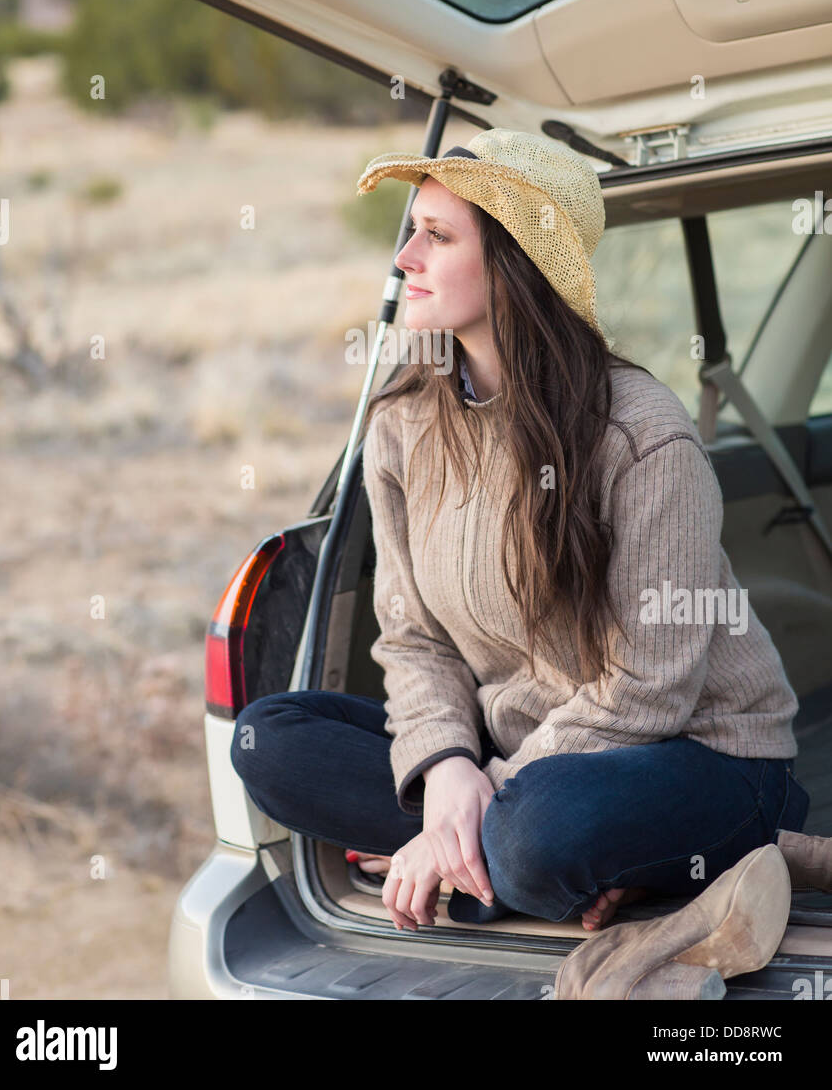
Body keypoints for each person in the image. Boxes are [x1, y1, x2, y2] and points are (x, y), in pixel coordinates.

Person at [231, 127, 811, 950]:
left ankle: (484, 864)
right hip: (517, 764)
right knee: (269, 741)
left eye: (437, 236)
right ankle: (510, 864)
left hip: (699, 756)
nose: (405, 258)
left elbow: (653, 687)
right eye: (411, 230)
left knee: (536, 835)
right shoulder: (402, 422)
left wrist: (484, 794)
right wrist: (442, 772)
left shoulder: (642, 435)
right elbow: (412, 638)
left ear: (514, 265)